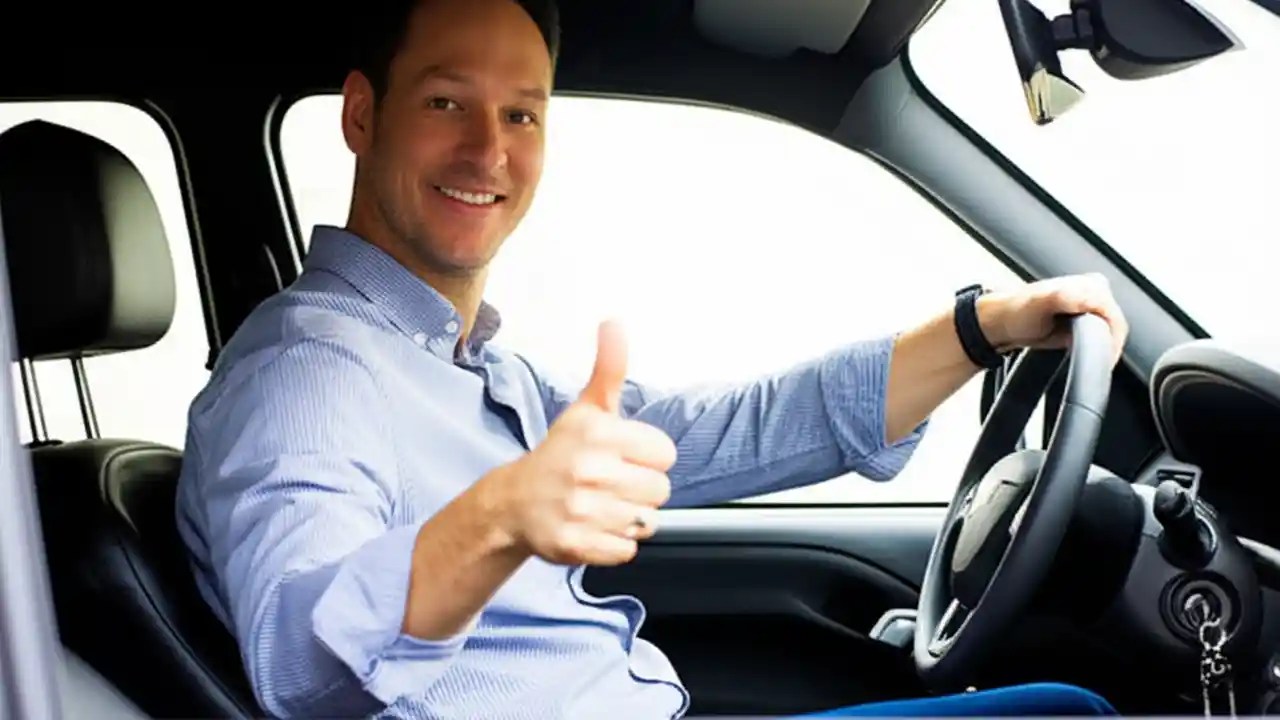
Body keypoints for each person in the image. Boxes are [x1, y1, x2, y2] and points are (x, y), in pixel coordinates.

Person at [174, 0, 1130, 717]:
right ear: (360, 116)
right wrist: (500, 516)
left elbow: (716, 432)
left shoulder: (468, 363)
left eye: (522, 115)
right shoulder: (304, 373)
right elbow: (299, 660)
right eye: (445, 101)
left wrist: (981, 330)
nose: (488, 152)